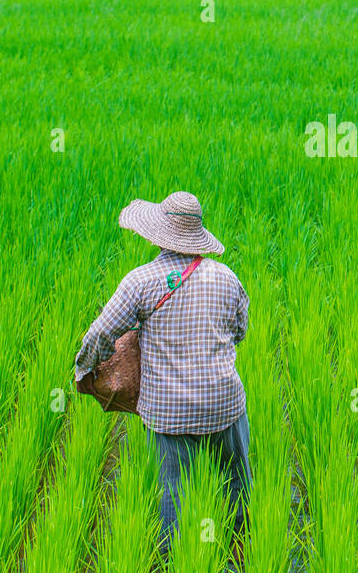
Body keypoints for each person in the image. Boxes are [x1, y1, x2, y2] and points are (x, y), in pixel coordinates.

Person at [74, 190, 250, 553]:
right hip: (224, 402)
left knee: (173, 490)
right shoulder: (227, 277)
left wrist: (85, 370)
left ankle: (177, 570)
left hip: (169, 411)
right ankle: (242, 560)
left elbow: (101, 334)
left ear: (157, 234)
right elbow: (239, 331)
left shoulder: (140, 281)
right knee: (235, 482)